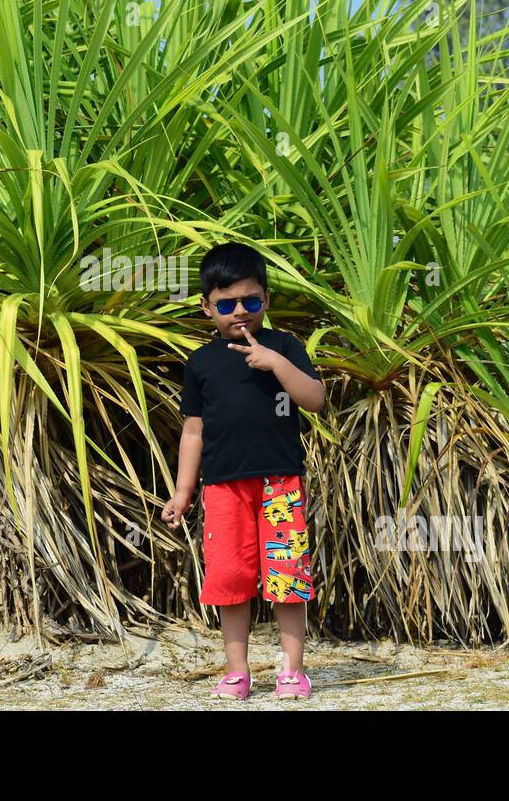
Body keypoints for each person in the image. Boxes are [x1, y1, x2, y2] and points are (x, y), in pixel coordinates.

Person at [161, 242, 325, 700]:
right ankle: (238, 672)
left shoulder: (284, 346)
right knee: (230, 579)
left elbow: (314, 399)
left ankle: (292, 671)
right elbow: (193, 432)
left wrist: (277, 365)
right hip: (223, 489)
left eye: (251, 302)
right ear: (206, 306)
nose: (240, 312)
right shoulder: (202, 363)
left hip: (280, 484)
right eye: (227, 303)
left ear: (267, 301)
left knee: (288, 578)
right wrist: (182, 493)